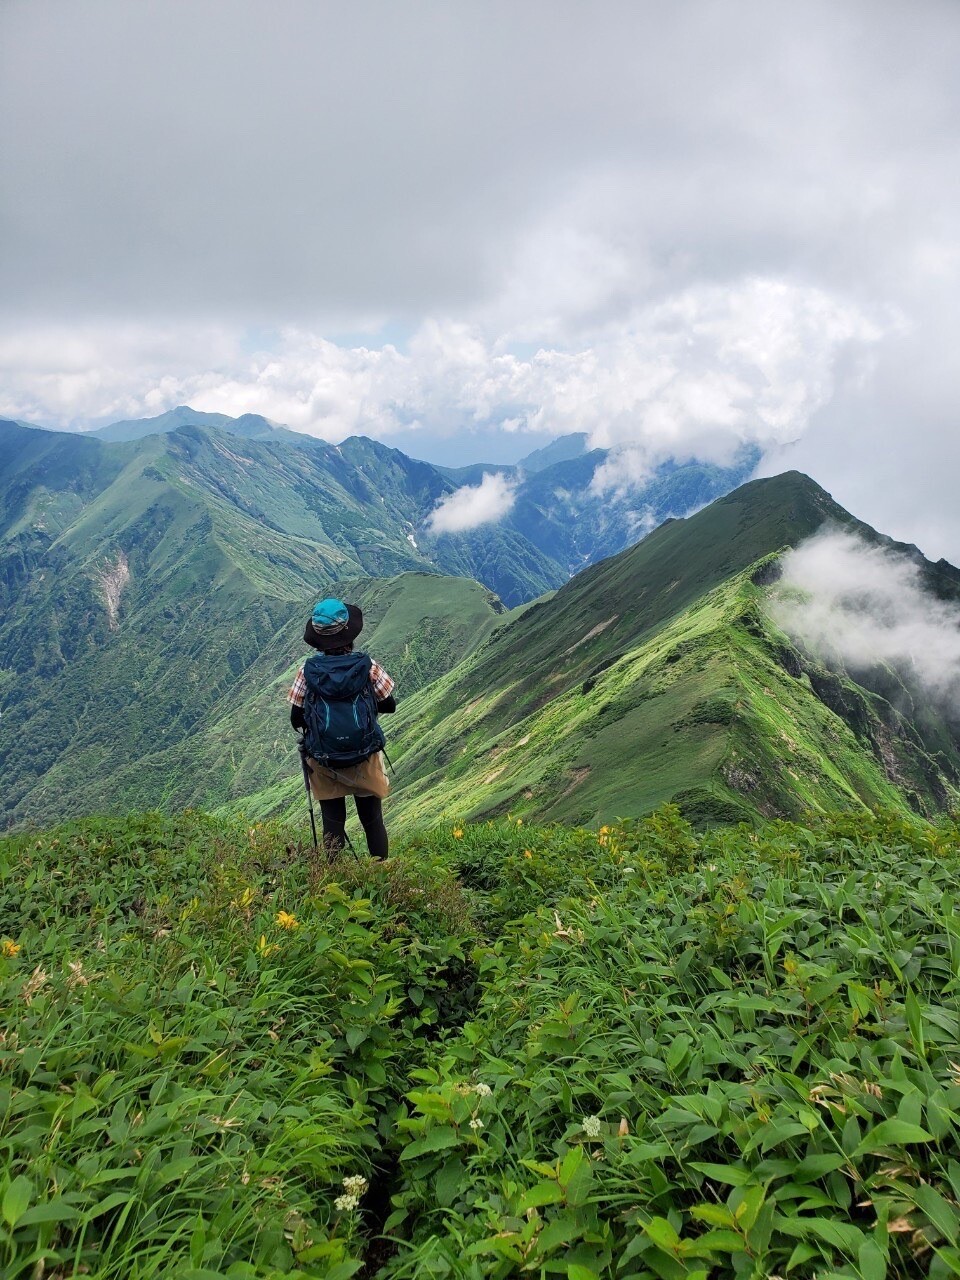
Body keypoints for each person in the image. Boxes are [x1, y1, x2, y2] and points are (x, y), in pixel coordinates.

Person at [287, 597, 396, 859]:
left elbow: (296, 717)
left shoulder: (308, 671)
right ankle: (381, 874)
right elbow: (390, 704)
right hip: (364, 753)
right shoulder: (367, 667)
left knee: (332, 823)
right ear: (349, 634)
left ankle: (333, 880)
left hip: (325, 757)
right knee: (372, 821)